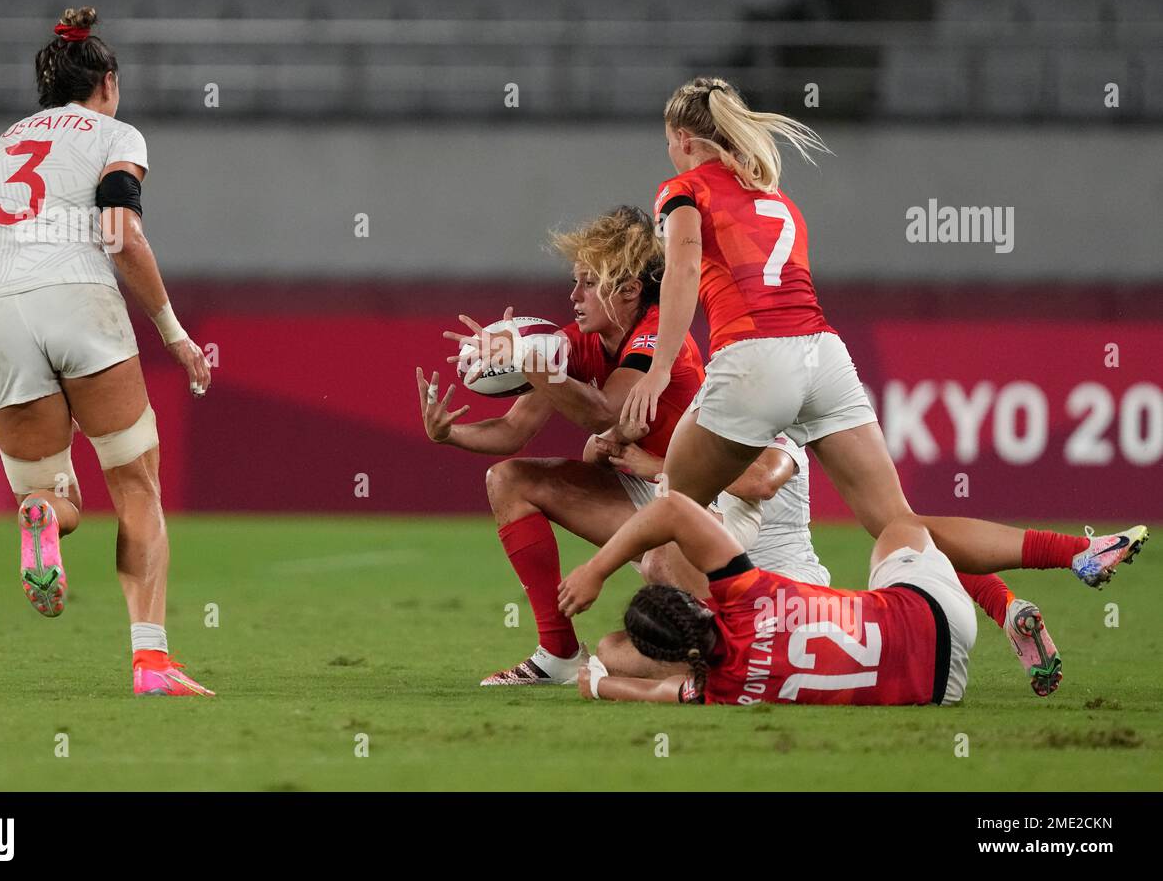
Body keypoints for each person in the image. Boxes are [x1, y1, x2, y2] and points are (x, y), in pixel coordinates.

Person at [617, 76, 1145, 695]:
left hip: (754, 359)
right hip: (823, 353)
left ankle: (739, 653)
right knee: (900, 523)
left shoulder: (682, 188)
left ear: (681, 140)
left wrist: (657, 370)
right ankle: (1071, 554)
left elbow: (681, 268)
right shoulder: (774, 195)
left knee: (673, 512)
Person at [0, 7, 214, 697]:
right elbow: (121, 232)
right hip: (77, 296)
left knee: (50, 492)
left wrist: (0, 326)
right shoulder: (115, 133)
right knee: (135, 486)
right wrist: (174, 332)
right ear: (108, 82)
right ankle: (151, 664)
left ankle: (40, 518)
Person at [416, 206, 804, 684]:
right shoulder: (577, 342)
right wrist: (448, 433)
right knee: (510, 480)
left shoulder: (662, 336)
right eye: (575, 281)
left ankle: (731, 655)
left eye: (586, 282)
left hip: (707, 498)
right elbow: (513, 433)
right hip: (659, 492)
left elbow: (605, 411)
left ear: (629, 289)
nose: (573, 295)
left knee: (659, 570)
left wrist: (531, 362)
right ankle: (557, 653)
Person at [559, 490, 1136, 707]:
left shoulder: (726, 691)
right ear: (697, 605)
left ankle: (1006, 606)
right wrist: (597, 569)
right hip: (932, 618)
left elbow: (665, 691)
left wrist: (602, 683)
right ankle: (1045, 569)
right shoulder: (745, 591)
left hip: (939, 691)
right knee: (902, 528)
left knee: (911, 560)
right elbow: (672, 509)